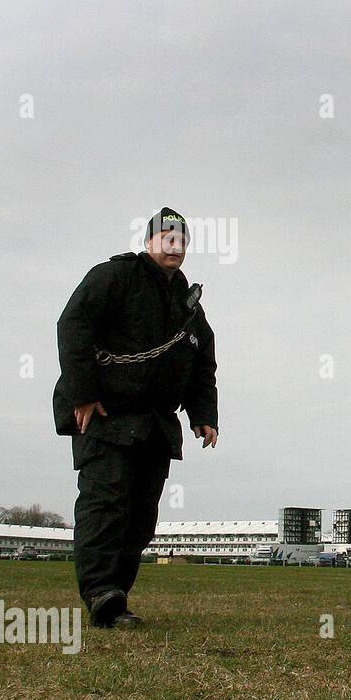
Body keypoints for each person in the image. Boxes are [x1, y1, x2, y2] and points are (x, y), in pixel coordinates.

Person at [53, 208, 219, 628]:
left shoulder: (188, 303)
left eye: (182, 240)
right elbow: (73, 324)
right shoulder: (114, 277)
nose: (174, 246)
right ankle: (99, 593)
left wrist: (203, 414)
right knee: (105, 504)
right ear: (148, 242)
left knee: (140, 517)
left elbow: (202, 360)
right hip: (105, 414)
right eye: (166, 237)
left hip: (155, 425)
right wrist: (83, 394)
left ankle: (115, 598)